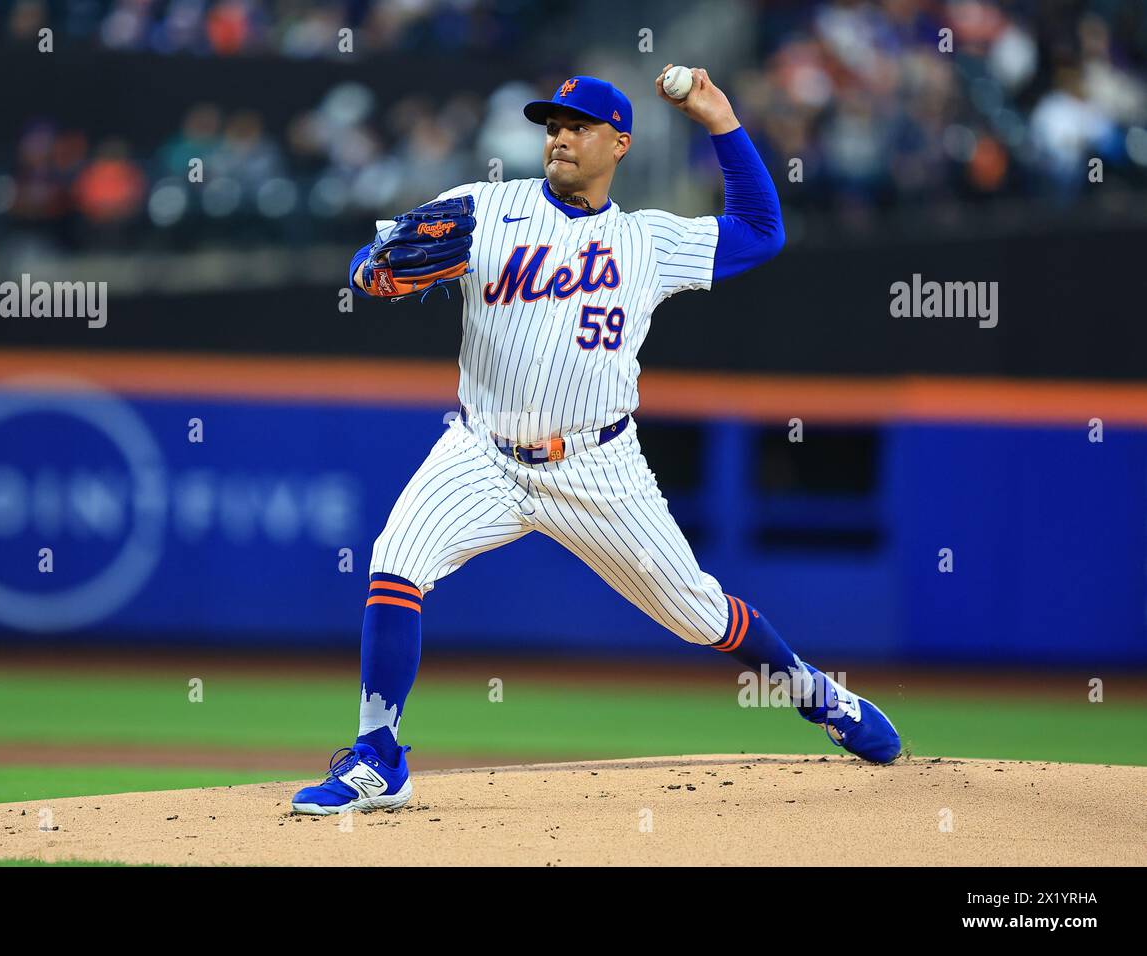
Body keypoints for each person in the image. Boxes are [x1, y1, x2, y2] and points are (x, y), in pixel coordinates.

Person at [292, 67, 900, 816]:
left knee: (699, 613)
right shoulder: (483, 208)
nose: (560, 137)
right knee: (395, 563)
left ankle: (817, 694)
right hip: (482, 450)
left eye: (578, 126)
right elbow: (376, 257)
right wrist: (373, 273)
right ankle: (377, 759)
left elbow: (763, 231)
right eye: (552, 125)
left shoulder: (648, 239)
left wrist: (722, 121)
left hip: (598, 466)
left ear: (619, 143)